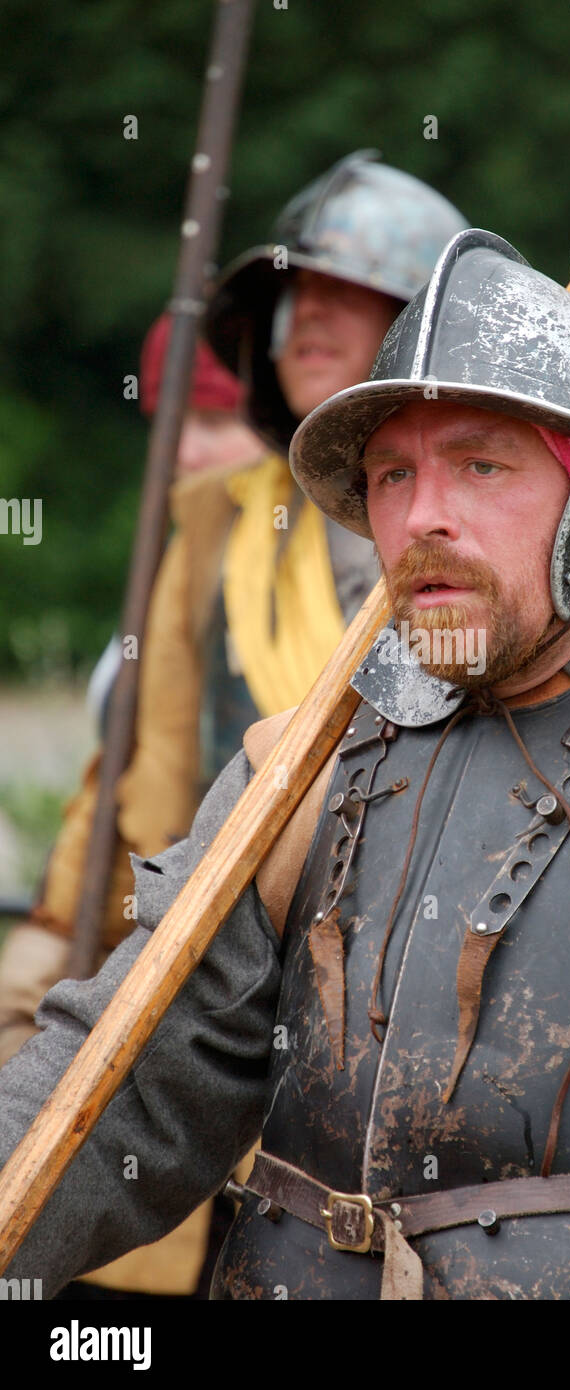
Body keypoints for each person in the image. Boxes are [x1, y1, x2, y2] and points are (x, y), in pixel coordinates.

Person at [2, 229, 570, 1301]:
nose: (422, 517)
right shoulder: (304, 766)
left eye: (481, 464)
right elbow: (113, 1090)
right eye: (392, 475)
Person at [0, 152, 467, 1296]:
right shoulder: (214, 522)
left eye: (343, 290)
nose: (303, 313)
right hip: (217, 989)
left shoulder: (482, 539)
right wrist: (39, 981)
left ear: (419, 325)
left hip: (416, 1011)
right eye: (288, 294)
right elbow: (143, 776)